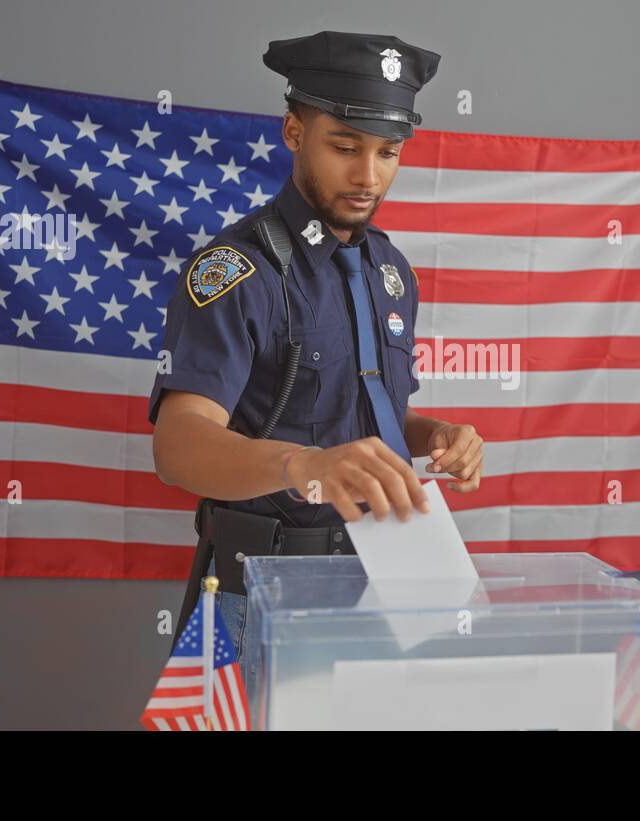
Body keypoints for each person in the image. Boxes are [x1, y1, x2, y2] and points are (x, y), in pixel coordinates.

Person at [148, 31, 484, 699]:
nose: (368, 177)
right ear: (294, 132)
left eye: (388, 153)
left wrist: (435, 434)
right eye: (345, 147)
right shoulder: (237, 270)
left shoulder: (390, 271)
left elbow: (366, 413)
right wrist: (306, 467)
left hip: (388, 587)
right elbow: (178, 444)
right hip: (268, 598)